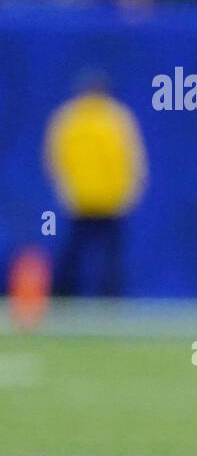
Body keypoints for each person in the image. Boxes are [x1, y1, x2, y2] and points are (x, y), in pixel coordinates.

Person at [44, 76, 147, 296]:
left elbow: (55, 158)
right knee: (103, 256)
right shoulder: (116, 117)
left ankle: (65, 297)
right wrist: (131, 191)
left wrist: (63, 189)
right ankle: (106, 299)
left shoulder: (69, 117)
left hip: (85, 199)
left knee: (82, 254)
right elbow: (133, 158)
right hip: (107, 199)